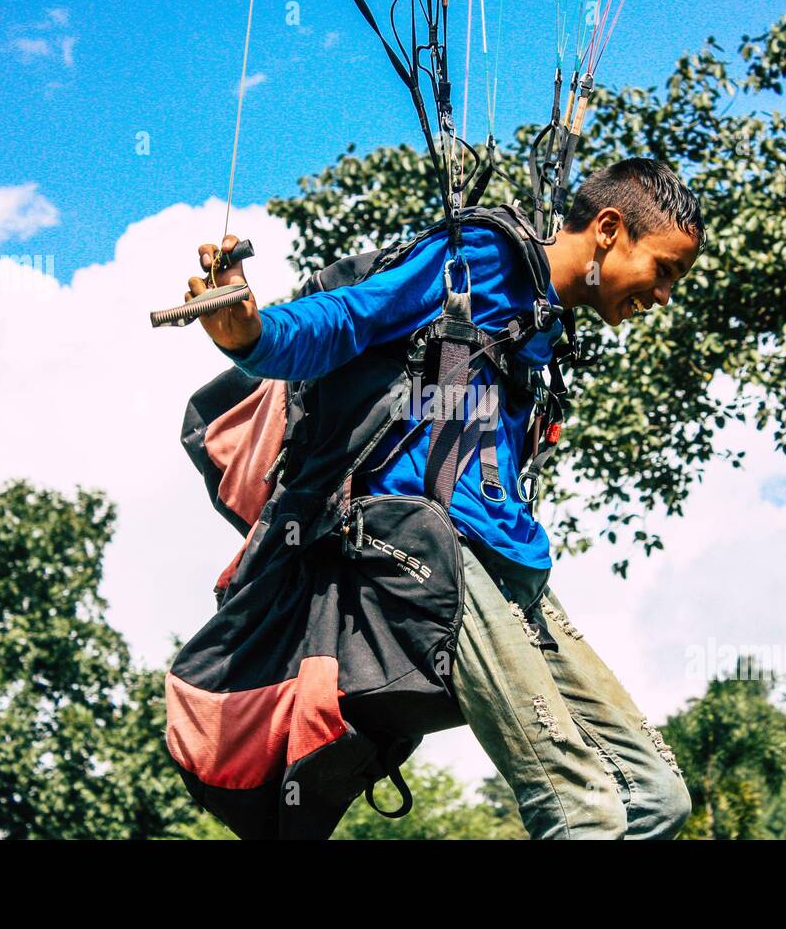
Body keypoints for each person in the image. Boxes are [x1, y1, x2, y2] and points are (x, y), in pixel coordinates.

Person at [185, 157, 704, 839]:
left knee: (659, 797)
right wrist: (254, 337)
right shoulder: (478, 257)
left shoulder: (543, 326)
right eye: (664, 270)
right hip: (428, 553)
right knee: (583, 810)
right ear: (609, 229)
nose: (664, 294)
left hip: (507, 570)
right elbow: (354, 317)